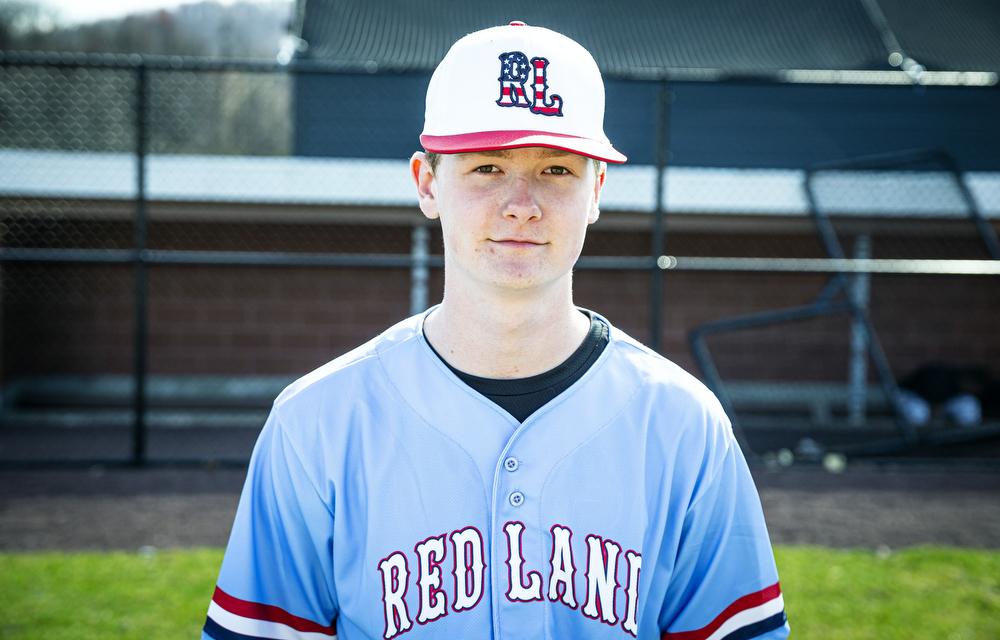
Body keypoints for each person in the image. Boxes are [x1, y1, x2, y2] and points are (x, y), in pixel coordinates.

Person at [202, 22, 789, 640]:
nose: (522, 204)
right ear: (428, 183)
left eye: (557, 170)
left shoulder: (683, 424)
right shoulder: (316, 423)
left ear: (597, 191)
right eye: (486, 166)